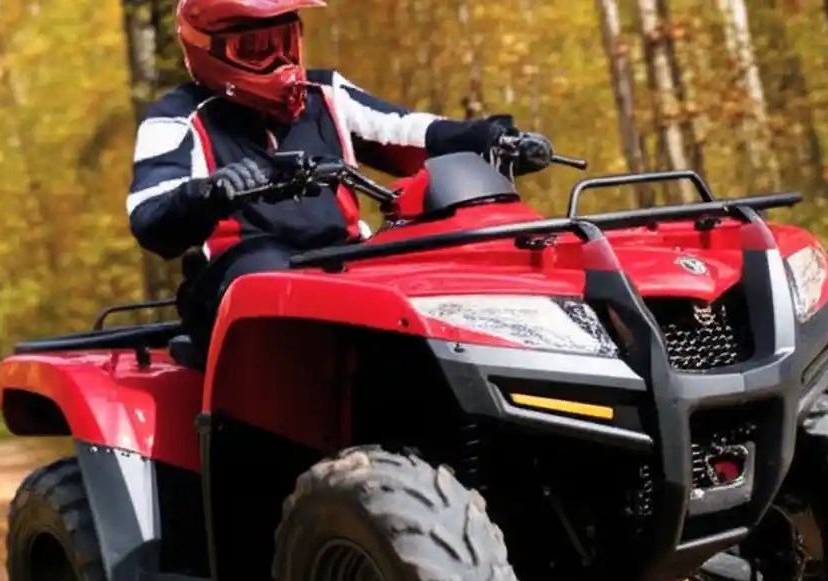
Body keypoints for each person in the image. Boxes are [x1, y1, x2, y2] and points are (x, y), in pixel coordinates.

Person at [127, 0, 555, 350]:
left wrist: (495, 139)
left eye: (285, 41)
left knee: (434, 267)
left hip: (347, 262)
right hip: (242, 281)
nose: (280, 60)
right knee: (273, 280)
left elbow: (411, 130)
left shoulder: (325, 94)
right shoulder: (176, 117)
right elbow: (149, 215)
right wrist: (208, 192)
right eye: (256, 47)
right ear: (208, 50)